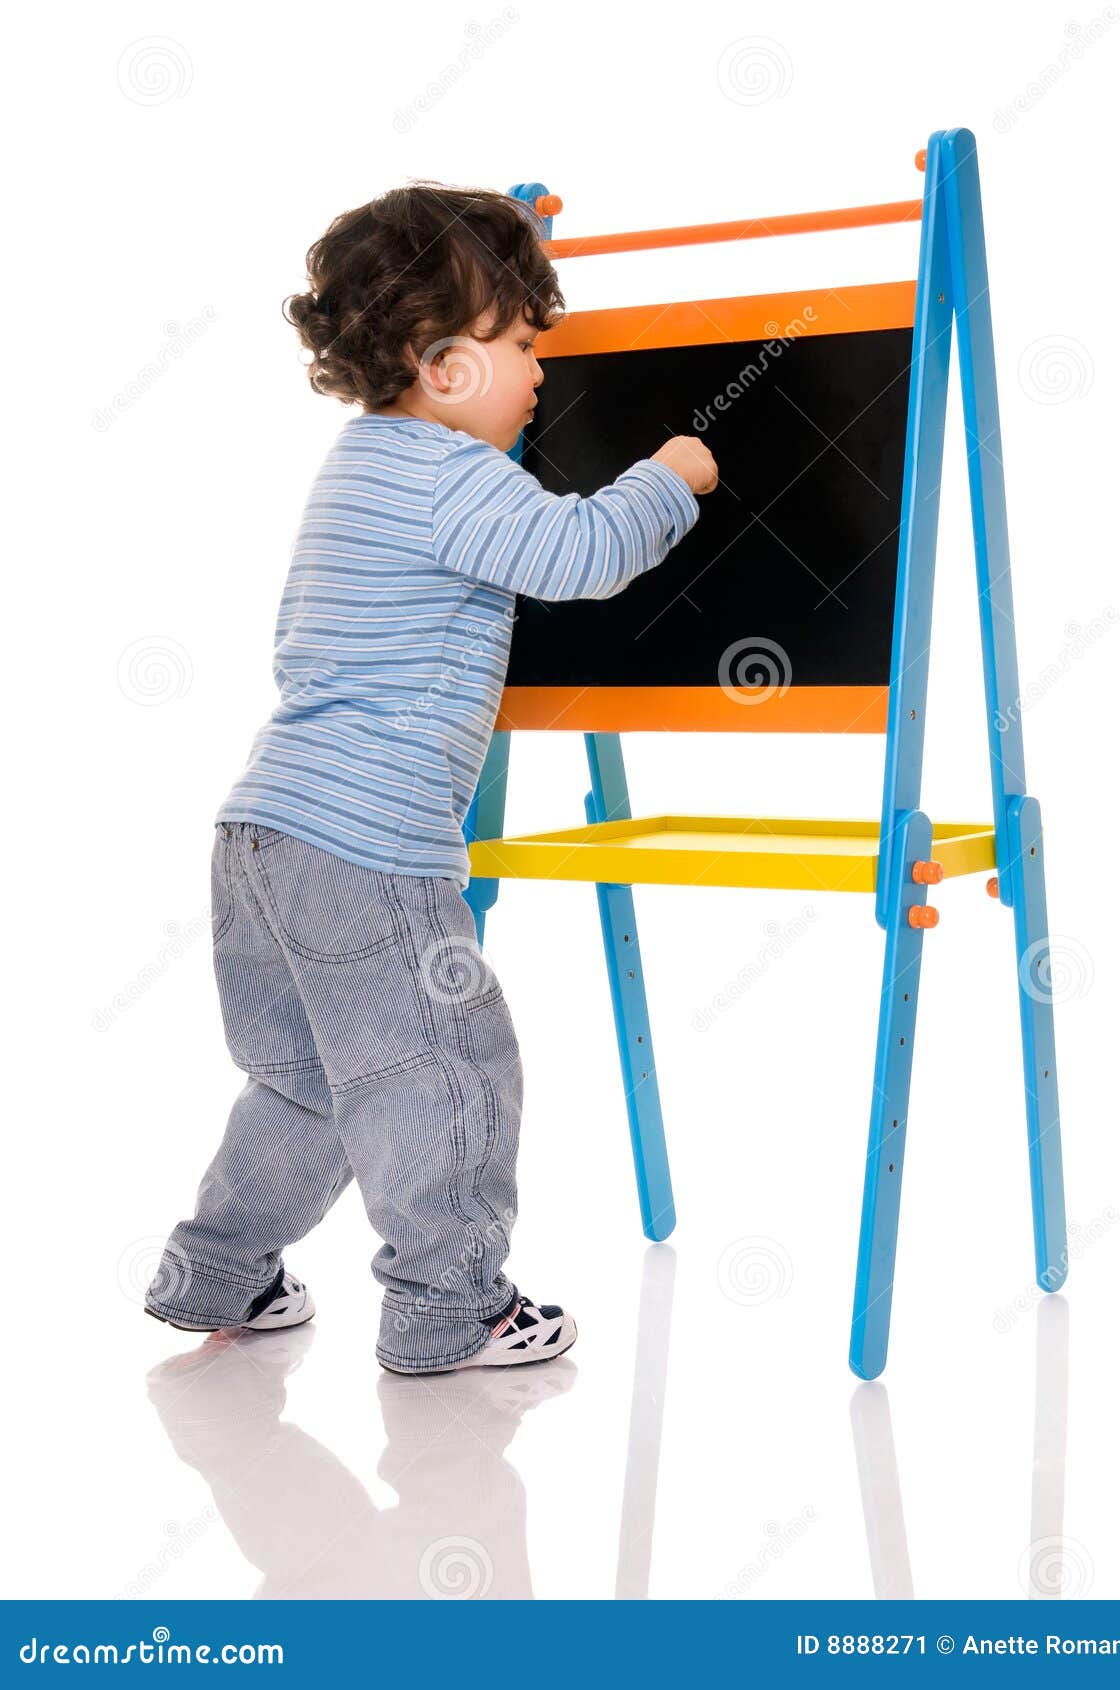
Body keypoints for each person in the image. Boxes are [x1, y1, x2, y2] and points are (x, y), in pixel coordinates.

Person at [143, 181, 717, 1375]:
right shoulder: (455, 474)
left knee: (304, 1084)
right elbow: (582, 552)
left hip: (264, 831)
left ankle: (218, 1269)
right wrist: (671, 475)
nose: (542, 373)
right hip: (370, 845)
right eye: (521, 346)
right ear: (440, 364)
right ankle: (451, 1306)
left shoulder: (357, 465)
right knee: (446, 1067)